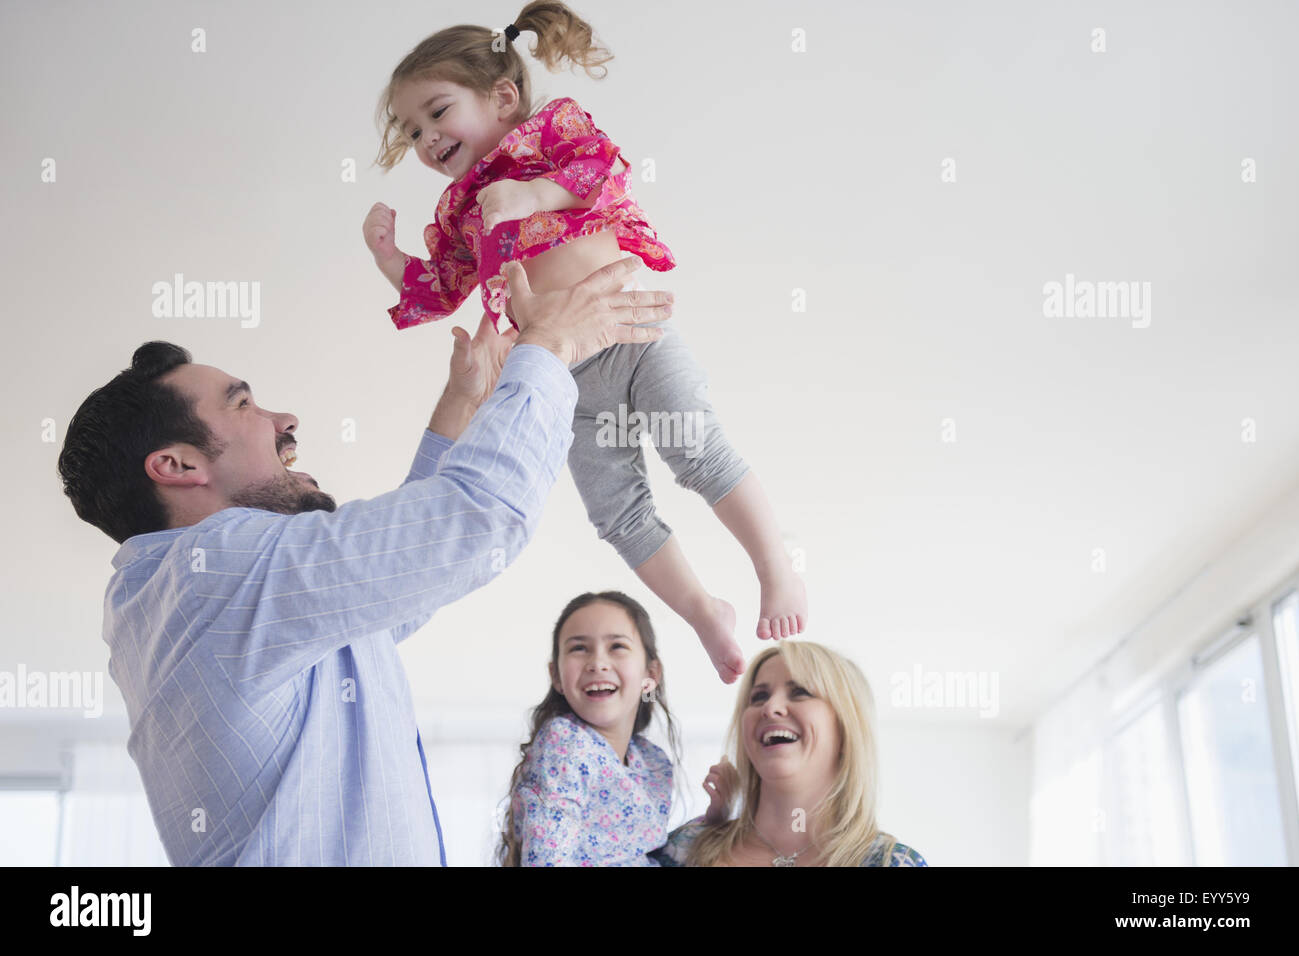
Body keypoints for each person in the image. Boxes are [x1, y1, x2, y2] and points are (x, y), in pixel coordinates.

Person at [55, 255, 669, 865]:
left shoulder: (196, 594)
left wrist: (464, 404)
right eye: (242, 405)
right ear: (179, 466)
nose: (284, 419)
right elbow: (477, 519)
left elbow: (383, 602)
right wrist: (548, 347)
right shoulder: (212, 571)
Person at [363, 0, 809, 684]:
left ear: (503, 96)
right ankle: (702, 612)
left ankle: (776, 569)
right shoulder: (458, 212)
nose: (425, 138)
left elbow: (600, 172)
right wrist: (390, 258)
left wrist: (531, 195)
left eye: (437, 112)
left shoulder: (548, 134)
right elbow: (445, 286)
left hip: (632, 338)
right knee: (616, 510)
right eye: (413, 128)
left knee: (695, 451)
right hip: (561, 379)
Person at [650, 641, 929, 866]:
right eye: (758, 697)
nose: (770, 708)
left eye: (800, 692)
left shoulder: (891, 862)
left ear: (846, 729)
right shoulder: (683, 852)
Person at [498, 591, 682, 866]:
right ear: (557, 676)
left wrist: (714, 818)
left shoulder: (652, 761)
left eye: (617, 646)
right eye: (579, 648)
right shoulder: (564, 743)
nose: (597, 663)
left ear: (650, 676)